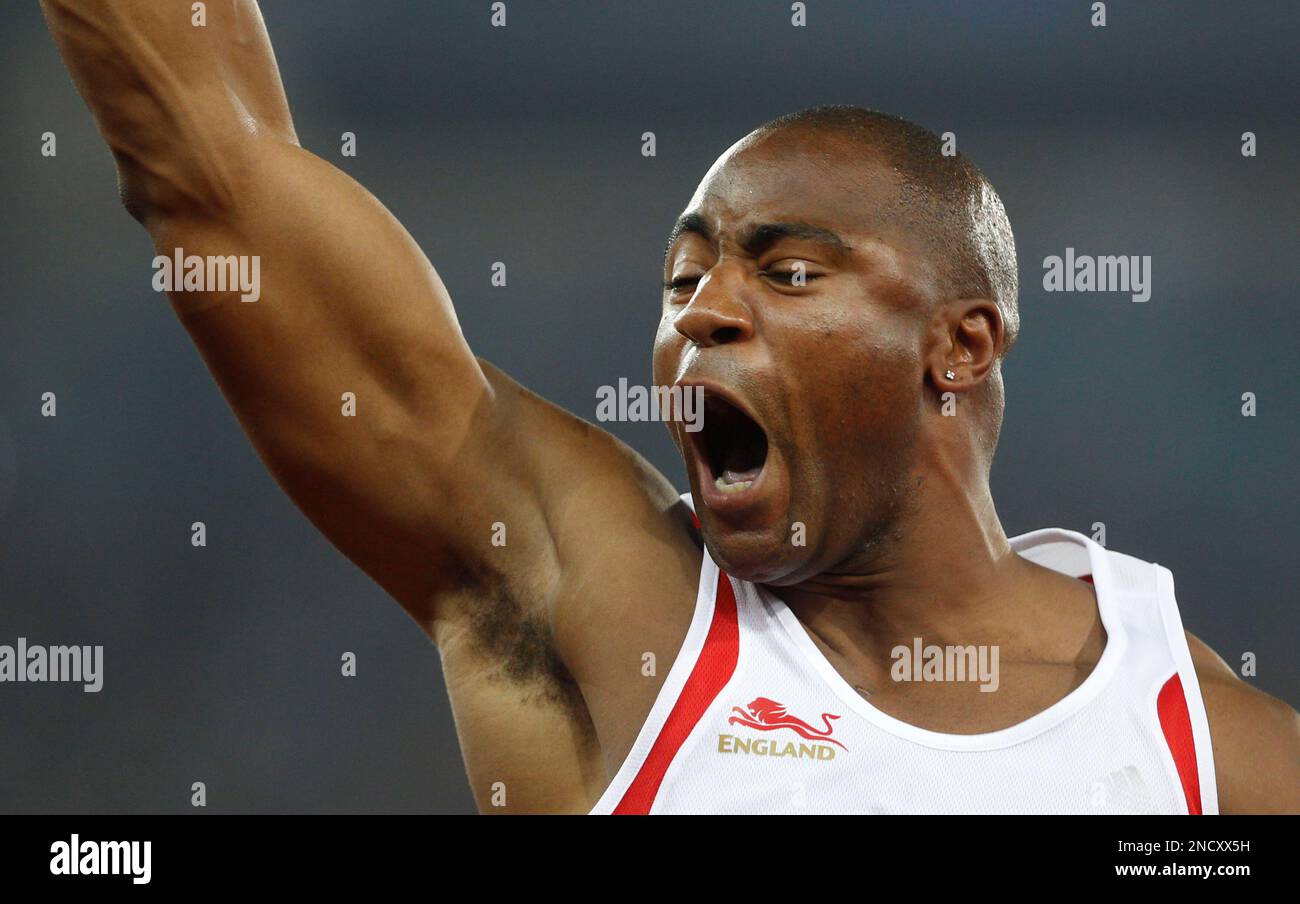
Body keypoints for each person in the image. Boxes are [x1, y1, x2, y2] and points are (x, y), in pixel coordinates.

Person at [39, 0, 1299, 814]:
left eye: (783, 270)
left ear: (958, 346)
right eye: (682, 278)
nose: (698, 312)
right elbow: (216, 172)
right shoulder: (605, 608)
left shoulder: (1193, 744)